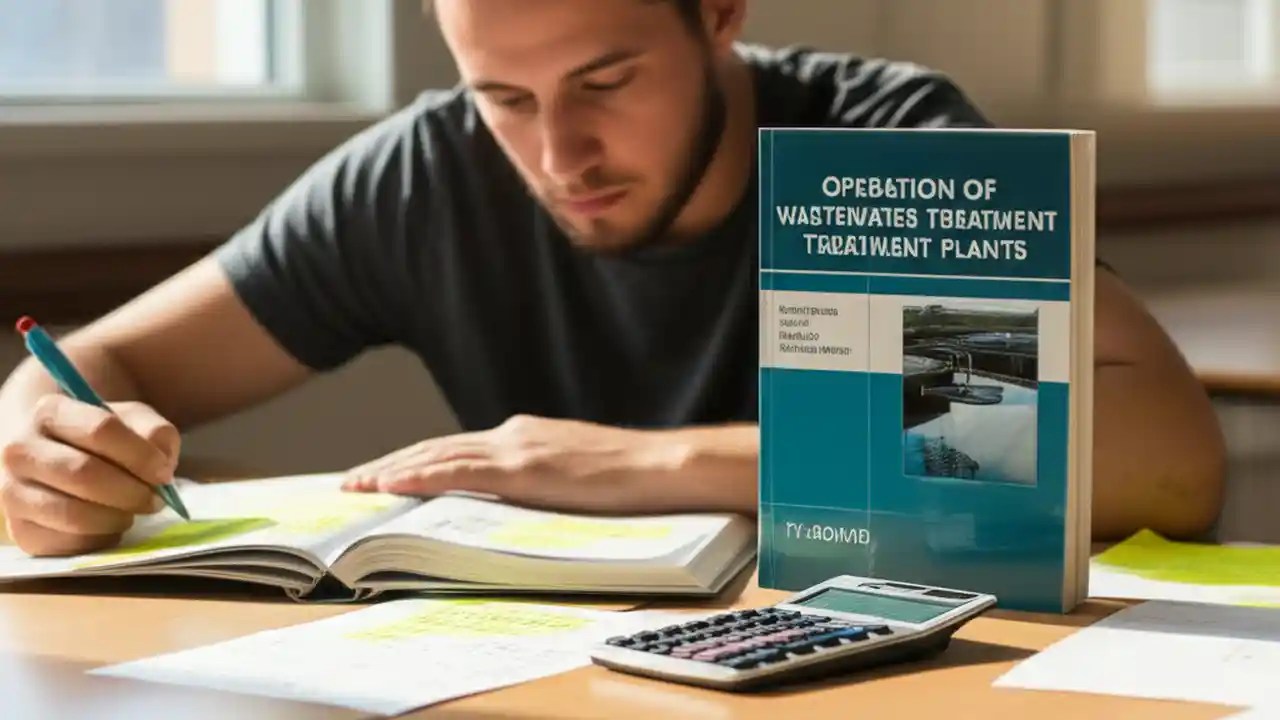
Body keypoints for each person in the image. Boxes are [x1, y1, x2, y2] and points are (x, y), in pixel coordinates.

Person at [0, 0, 1225, 557]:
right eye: (504, 96)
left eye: (604, 81)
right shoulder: (430, 172)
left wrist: (648, 463)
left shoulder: (877, 152)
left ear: (718, 14)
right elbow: (95, 368)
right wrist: (42, 445)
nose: (555, 156)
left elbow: (1157, 454)